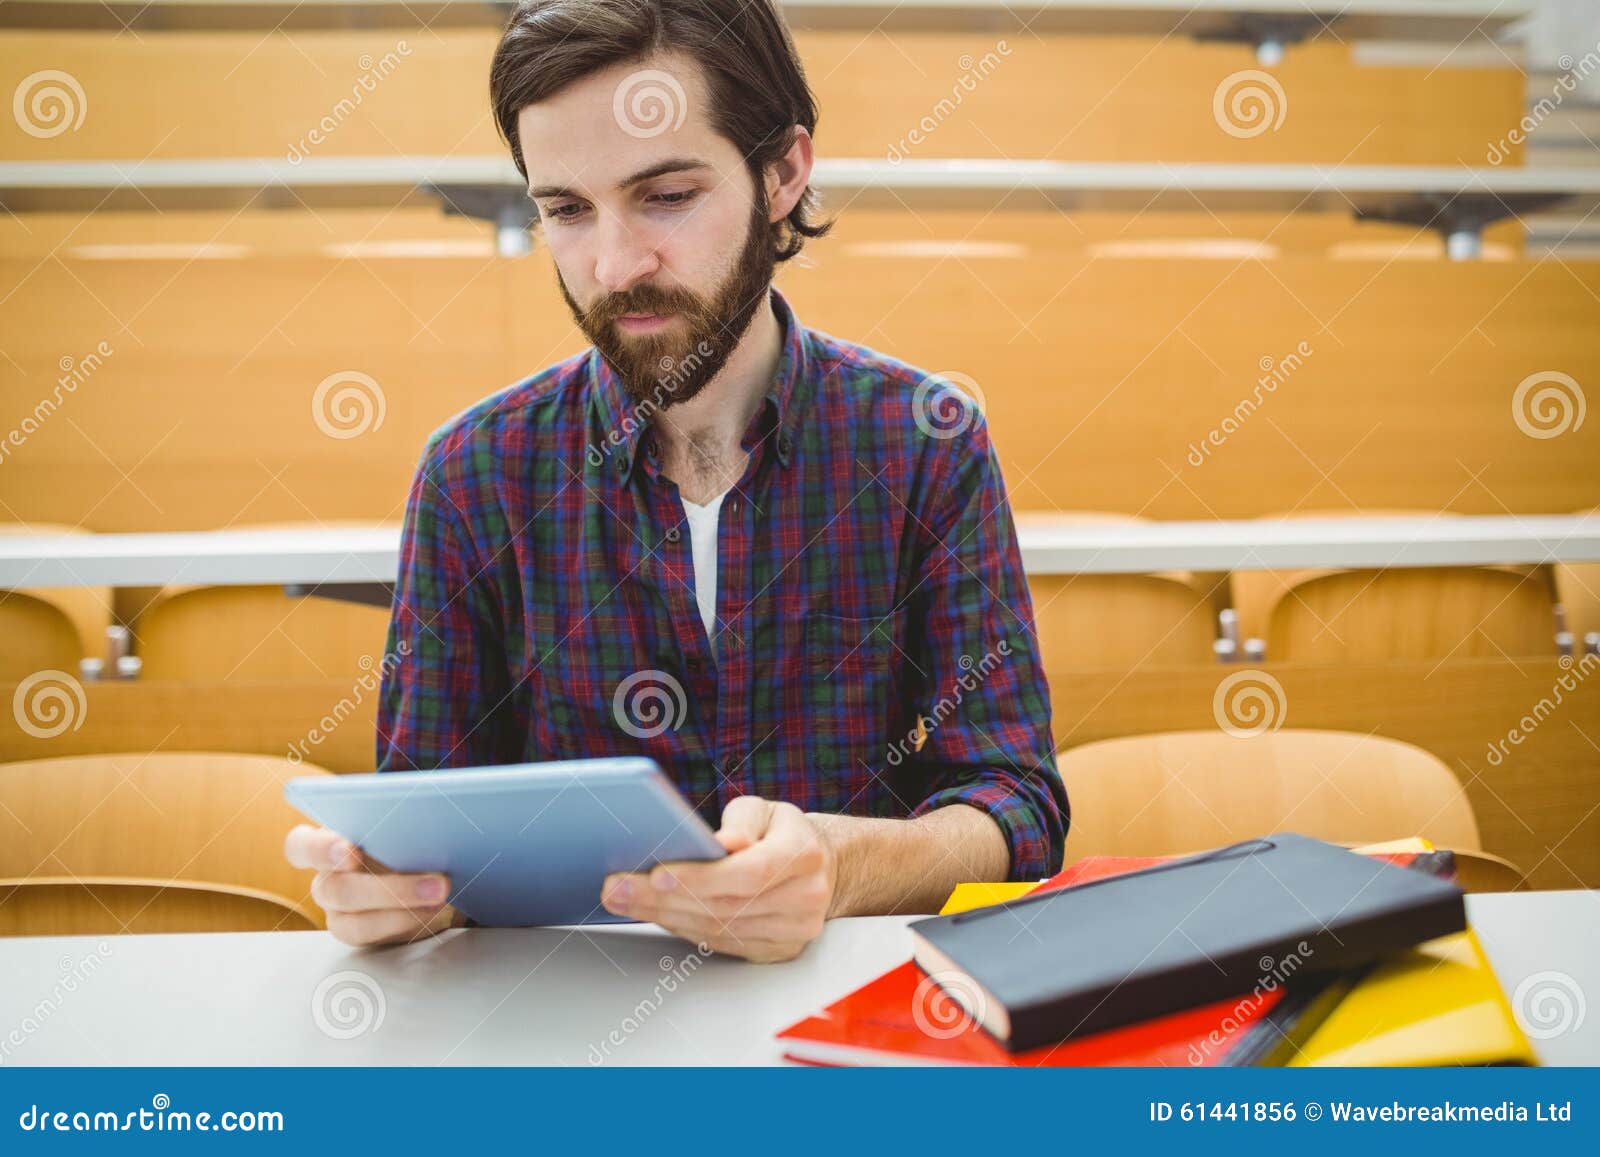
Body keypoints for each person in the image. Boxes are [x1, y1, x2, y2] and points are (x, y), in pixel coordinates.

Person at [285, 0, 1066, 961]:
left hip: (849, 1032)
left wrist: (841, 863)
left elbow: (1018, 808)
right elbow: (425, 836)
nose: (615, 265)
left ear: (782, 173)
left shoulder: (924, 441)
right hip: (571, 1049)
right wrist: (398, 896)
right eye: (567, 210)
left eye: (665, 197)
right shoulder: (472, 474)